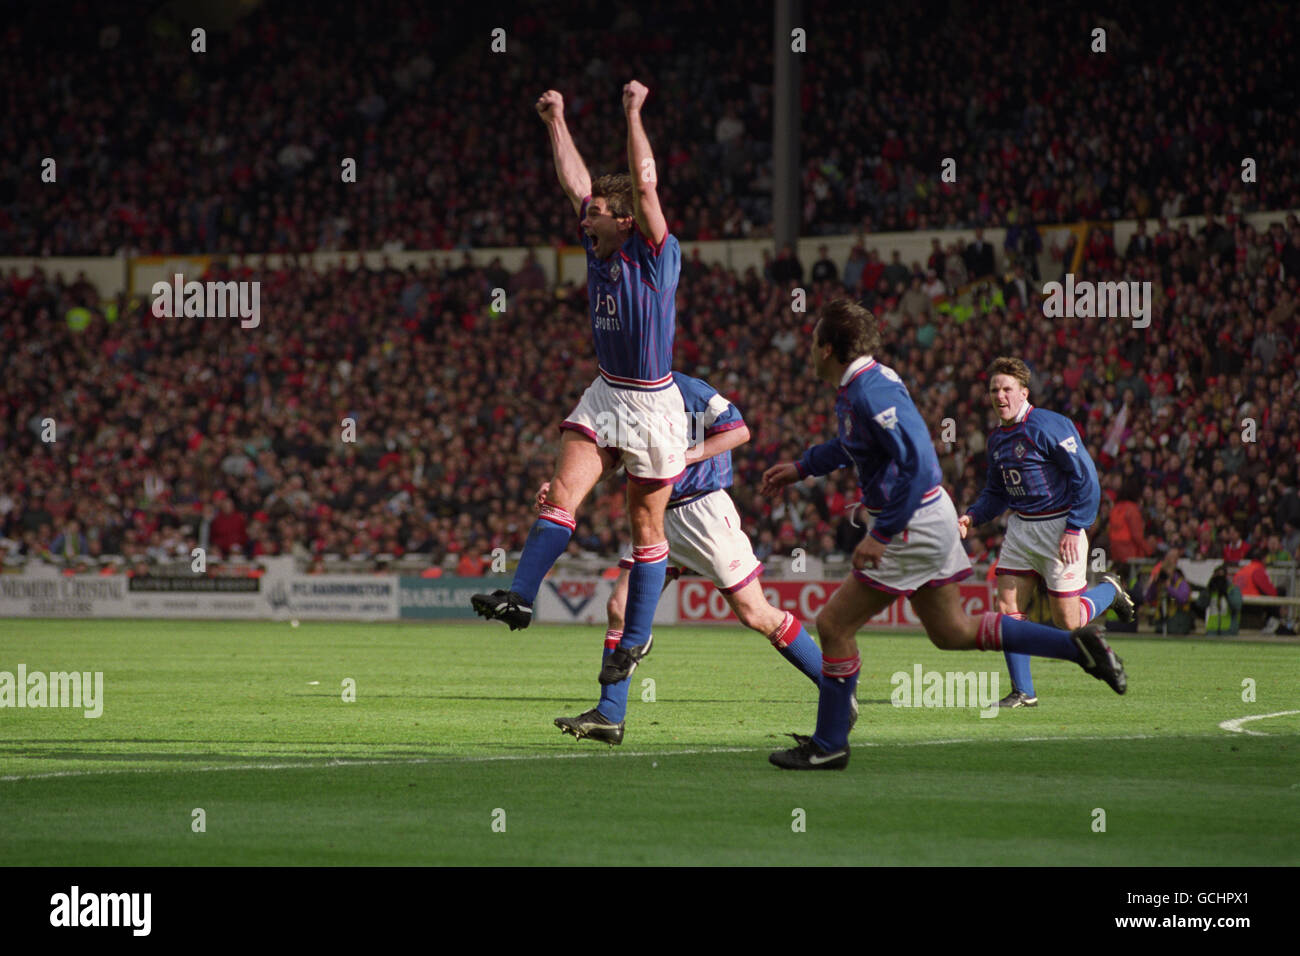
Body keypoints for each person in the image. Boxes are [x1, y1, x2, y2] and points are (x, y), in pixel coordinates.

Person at [760, 299, 1127, 770]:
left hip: (910, 522)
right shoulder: (867, 383)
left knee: (834, 625)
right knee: (952, 632)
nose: (808, 350)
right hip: (924, 519)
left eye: (813, 342)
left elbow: (923, 463)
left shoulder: (871, 389)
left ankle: (830, 742)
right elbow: (854, 444)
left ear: (829, 348)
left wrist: (883, 532)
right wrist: (802, 467)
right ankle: (1075, 646)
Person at [473, 81, 685, 687]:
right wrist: (555, 121)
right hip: (606, 391)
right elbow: (575, 182)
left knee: (646, 532)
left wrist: (634, 112)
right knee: (561, 495)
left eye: (595, 211)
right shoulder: (598, 249)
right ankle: (520, 595)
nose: (584, 214)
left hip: (653, 403)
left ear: (624, 219)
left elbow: (644, 183)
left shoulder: (654, 253)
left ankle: (635, 640)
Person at [549, 373, 831, 744]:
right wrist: (565, 489)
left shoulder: (688, 389)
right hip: (655, 514)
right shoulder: (624, 400)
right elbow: (611, 461)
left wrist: (686, 456)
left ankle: (836, 690)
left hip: (701, 513)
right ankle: (610, 714)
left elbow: (739, 431)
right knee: (619, 606)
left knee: (755, 614)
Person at [958, 356, 1135, 708]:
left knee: (1067, 621)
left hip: (1059, 527)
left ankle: (1108, 591)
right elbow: (996, 492)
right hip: (1022, 527)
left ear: (1024, 392)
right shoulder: (997, 440)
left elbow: (1086, 478)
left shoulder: (1050, 425)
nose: (1000, 396)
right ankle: (1024, 691)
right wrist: (972, 517)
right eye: (994, 389)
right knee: (1007, 606)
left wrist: (1075, 527)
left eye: (1007, 389)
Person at [1193, 564, 1242, 636]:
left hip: (1228, 629)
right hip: (1212, 630)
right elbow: (1200, 605)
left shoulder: (1232, 589)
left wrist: (1226, 594)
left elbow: (1237, 606)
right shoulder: (1211, 590)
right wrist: (1208, 590)